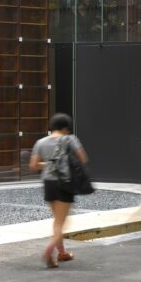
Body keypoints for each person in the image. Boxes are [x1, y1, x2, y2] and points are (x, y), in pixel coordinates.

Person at [29, 112, 88, 269]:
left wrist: (49, 163)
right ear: (65, 128)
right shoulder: (70, 139)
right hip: (64, 183)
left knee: (56, 221)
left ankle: (61, 253)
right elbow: (83, 158)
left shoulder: (40, 142)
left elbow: (33, 166)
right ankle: (48, 251)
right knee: (61, 224)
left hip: (48, 183)